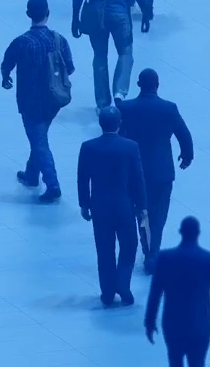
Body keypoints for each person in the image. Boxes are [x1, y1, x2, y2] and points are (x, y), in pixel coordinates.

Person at [118, 68, 193, 274]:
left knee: (142, 212)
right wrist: (187, 155)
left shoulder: (126, 108)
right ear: (157, 85)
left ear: (138, 84)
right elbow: (184, 135)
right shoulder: (168, 108)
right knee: (158, 213)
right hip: (162, 172)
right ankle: (153, 253)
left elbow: (120, 138)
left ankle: (148, 248)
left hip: (135, 172)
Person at [1, 0, 74, 203]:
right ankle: (32, 175)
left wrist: (5, 77)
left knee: (39, 141)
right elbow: (69, 68)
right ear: (48, 14)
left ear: (28, 15)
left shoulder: (21, 42)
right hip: (53, 100)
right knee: (39, 137)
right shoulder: (59, 40)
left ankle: (53, 185)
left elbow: (6, 64)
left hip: (29, 101)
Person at [78, 105, 149, 306]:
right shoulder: (130, 147)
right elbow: (138, 179)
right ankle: (123, 285)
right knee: (129, 245)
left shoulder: (88, 147)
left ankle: (107, 292)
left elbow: (82, 179)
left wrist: (84, 204)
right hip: (124, 205)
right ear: (119, 123)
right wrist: (142, 206)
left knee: (104, 249)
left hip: (99, 206)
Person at [145, 215, 210, 367]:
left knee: (175, 362)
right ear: (198, 233)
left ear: (180, 232)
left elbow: (155, 293)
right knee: (197, 363)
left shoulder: (164, 259)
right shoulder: (209, 260)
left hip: (173, 325)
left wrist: (150, 322)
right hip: (200, 325)